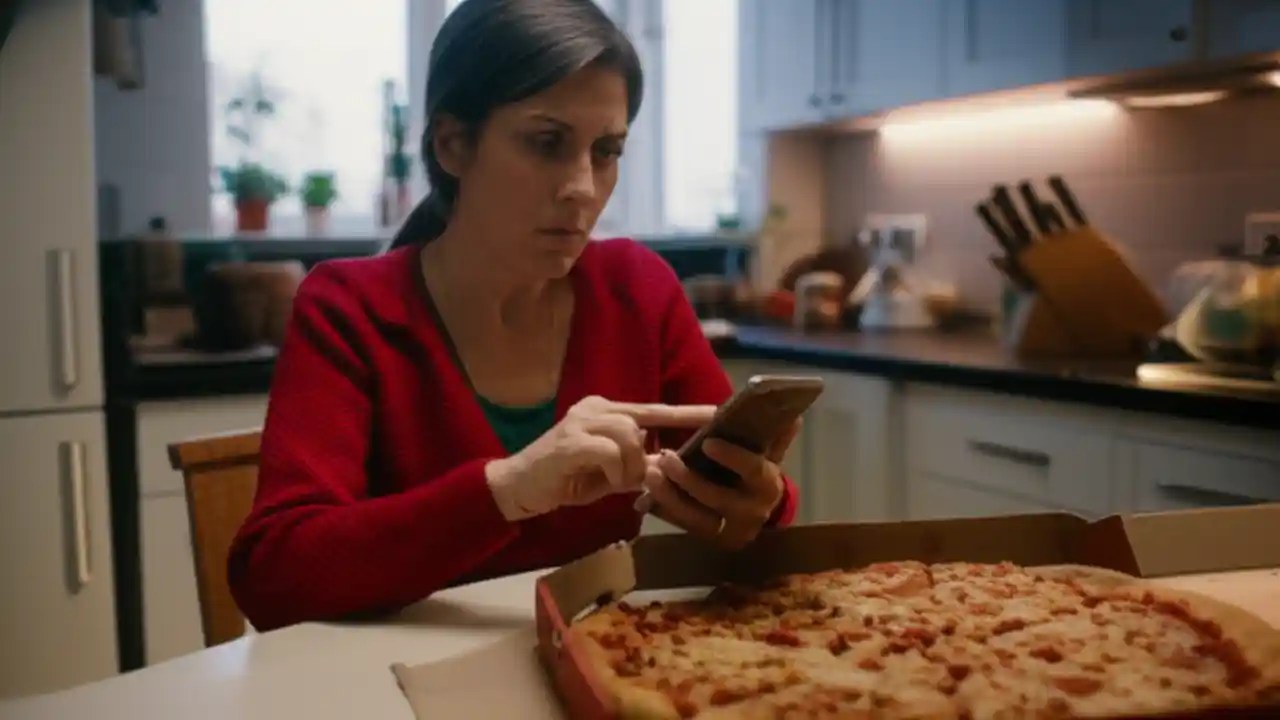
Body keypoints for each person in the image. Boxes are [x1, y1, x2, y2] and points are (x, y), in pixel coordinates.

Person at [226, 0, 801, 632]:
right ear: (452, 143)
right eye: (546, 143)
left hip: (601, 660)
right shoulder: (350, 308)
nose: (583, 186)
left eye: (606, 150)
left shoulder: (638, 290)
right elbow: (274, 576)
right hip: (395, 676)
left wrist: (759, 501)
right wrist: (510, 488)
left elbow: (754, 505)